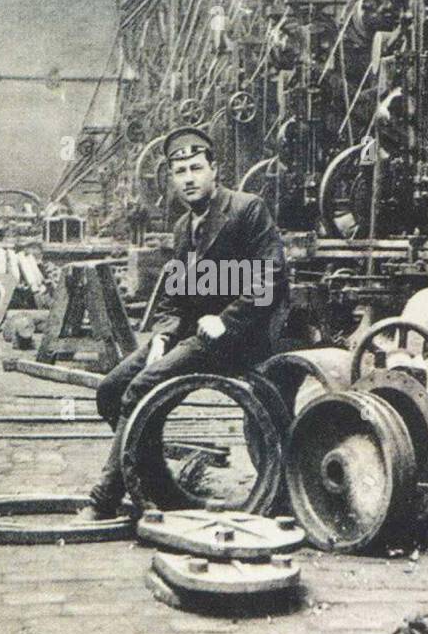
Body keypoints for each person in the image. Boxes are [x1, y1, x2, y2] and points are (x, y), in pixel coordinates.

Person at [89, 126, 289, 516]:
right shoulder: (184, 227)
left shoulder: (247, 209)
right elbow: (172, 295)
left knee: (142, 386)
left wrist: (228, 320)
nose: (189, 179)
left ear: (215, 169)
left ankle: (105, 498)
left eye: (197, 168)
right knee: (111, 389)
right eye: (180, 173)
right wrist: (162, 336)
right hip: (191, 337)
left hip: (240, 337)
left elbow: (270, 278)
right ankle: (153, 479)